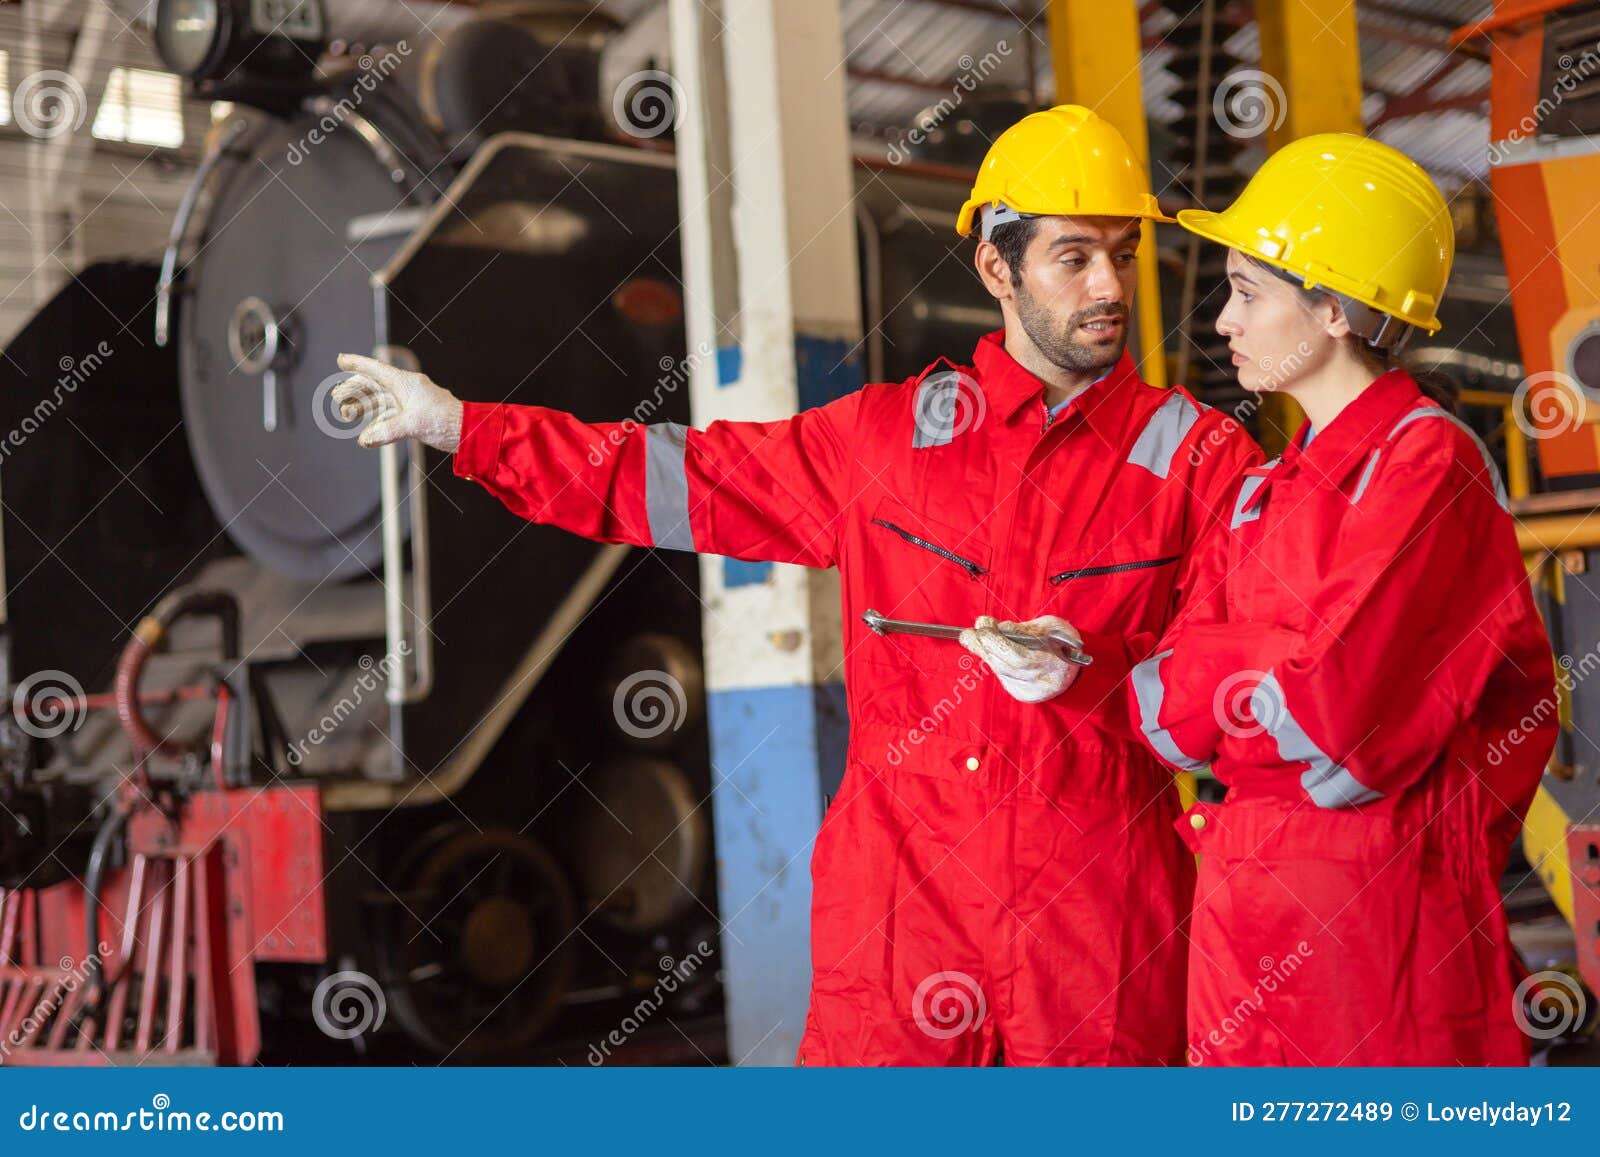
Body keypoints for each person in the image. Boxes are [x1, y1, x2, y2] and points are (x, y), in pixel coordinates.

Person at [332, 105, 1261, 1065]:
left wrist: (1097, 671)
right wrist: (465, 429)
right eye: (1074, 257)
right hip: (904, 917)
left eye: (1122, 252)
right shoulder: (885, 441)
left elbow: (1243, 681)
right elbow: (670, 478)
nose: (1109, 285)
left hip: (1096, 929)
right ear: (998, 269)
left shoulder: (1199, 458)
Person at [1127, 133, 1556, 1065]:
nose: (1224, 324)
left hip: (1380, 928)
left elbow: (1334, 720)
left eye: (1247, 293)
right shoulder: (1261, 490)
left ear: (1331, 309)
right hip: (1243, 912)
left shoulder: (1427, 466)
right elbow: (1161, 705)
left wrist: (1242, 674)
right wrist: (1261, 668)